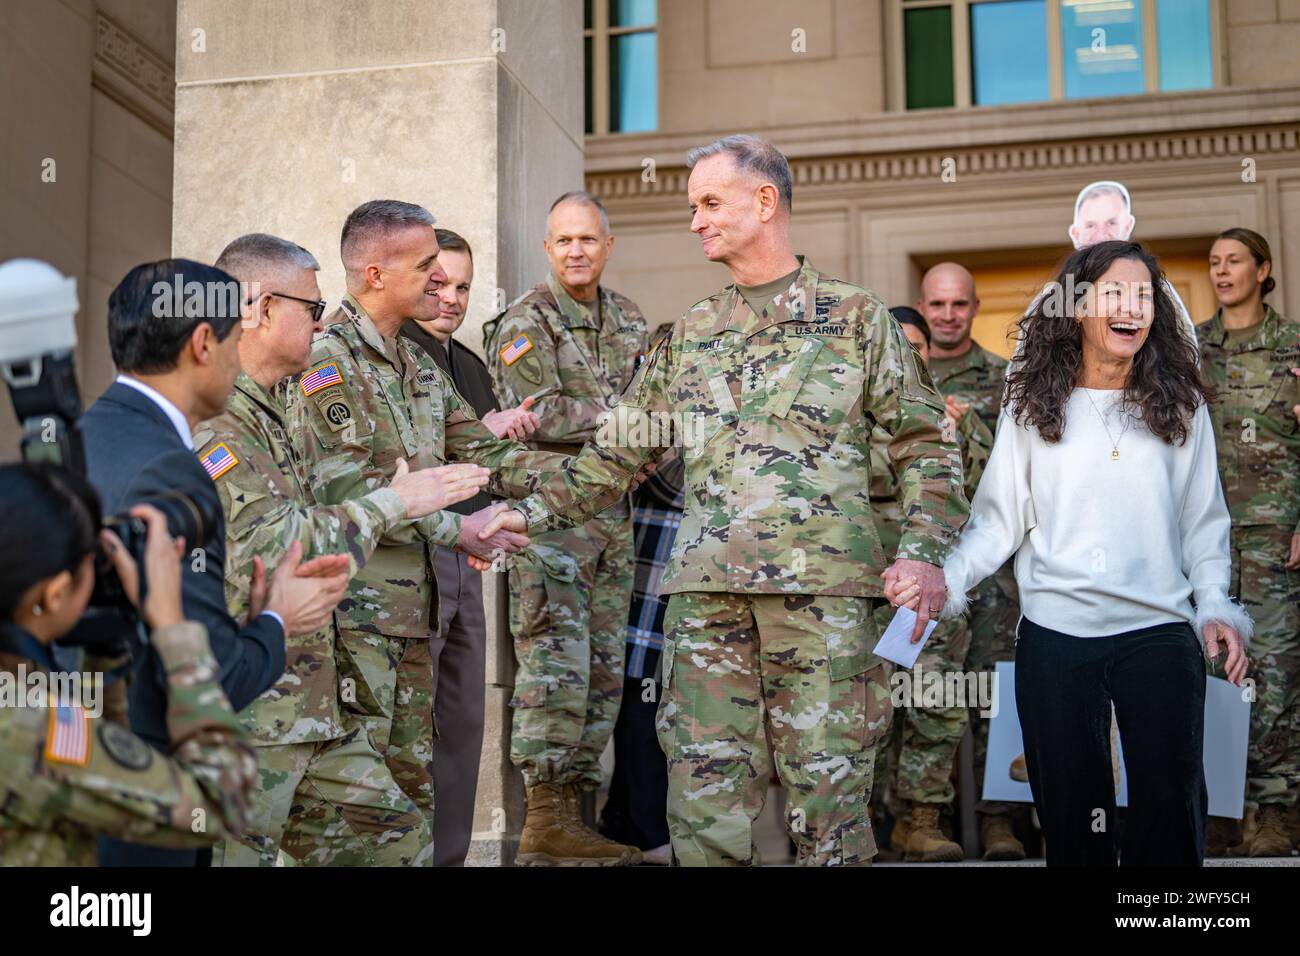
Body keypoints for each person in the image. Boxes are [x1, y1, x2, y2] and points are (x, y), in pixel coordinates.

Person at [482, 135, 968, 866]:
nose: (696, 221)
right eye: (692, 206)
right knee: (706, 815)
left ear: (765, 201)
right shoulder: (691, 333)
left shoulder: (858, 319)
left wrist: (925, 557)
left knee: (829, 811)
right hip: (706, 610)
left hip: (824, 606)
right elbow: (618, 452)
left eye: (711, 203)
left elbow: (926, 445)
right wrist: (529, 511)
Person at [892, 240, 1250, 866]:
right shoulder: (1032, 406)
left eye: (1143, 295)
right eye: (1114, 292)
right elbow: (996, 523)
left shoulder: (1184, 408)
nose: (1131, 308)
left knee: (1168, 817)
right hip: (1055, 640)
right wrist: (943, 581)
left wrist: (1215, 604)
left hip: (1160, 637)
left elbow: (1204, 525)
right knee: (1074, 819)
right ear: (1076, 305)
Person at [199, 233, 490, 866]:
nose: (324, 315)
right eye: (311, 303)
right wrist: (398, 502)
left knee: (399, 841)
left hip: (314, 709)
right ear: (256, 307)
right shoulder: (213, 421)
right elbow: (267, 544)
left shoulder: (274, 408)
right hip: (249, 717)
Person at [287, 200, 566, 827]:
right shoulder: (326, 362)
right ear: (377, 275)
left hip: (419, 616)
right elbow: (351, 493)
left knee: (411, 792)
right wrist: (458, 528)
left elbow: (486, 453)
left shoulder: (417, 365)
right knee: (357, 808)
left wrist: (594, 475)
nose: (439, 281)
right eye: (426, 268)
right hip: (358, 620)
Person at [80, 259, 352, 867]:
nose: (238, 357)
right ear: (203, 343)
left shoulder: (79, 438)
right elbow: (215, 674)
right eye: (233, 336)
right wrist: (276, 619)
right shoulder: (172, 472)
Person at [481, 191, 648, 867]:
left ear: (608, 246)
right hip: (552, 521)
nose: (577, 251)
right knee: (554, 663)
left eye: (588, 240)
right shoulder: (525, 320)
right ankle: (544, 820)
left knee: (603, 671)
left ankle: (575, 818)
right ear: (548, 250)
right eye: (564, 241)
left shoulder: (631, 318)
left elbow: (658, 412)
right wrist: (626, 427)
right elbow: (541, 410)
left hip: (613, 519)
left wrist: (639, 440)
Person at [0, 463, 257, 865]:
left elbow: (100, 756)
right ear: (55, 594)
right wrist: (173, 627)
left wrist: (106, 646)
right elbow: (217, 807)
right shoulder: (29, 731)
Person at [399, 227, 539, 865]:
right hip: (402, 568)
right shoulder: (385, 355)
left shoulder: (472, 366)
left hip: (465, 558)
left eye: (462, 287)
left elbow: (487, 463)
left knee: (460, 726)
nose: (451, 298)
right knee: (401, 735)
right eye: (438, 283)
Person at [870, 306, 992, 862]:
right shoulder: (853, 408)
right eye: (902, 345)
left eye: (920, 346)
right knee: (866, 704)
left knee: (935, 696)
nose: (912, 355)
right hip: (866, 581)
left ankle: (922, 818)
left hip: (935, 581)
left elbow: (991, 491)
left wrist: (955, 428)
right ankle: (866, 819)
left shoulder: (952, 414)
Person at [1196, 227, 1300, 857]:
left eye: (1235, 261)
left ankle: (1275, 809)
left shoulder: (1293, 345)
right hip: (1203, 540)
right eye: (1214, 263)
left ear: (1263, 270)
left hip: (1272, 537)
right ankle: (1218, 812)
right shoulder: (1189, 349)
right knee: (1207, 672)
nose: (1222, 271)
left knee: (1275, 676)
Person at [915, 265, 1025, 859]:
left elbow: (1019, 470)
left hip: (994, 567)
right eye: (938, 304)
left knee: (996, 687)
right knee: (924, 689)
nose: (948, 315)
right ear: (922, 306)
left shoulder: (1005, 380)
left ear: (976, 306)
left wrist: (969, 426)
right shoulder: (899, 374)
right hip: (921, 560)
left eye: (959, 304)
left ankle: (1001, 820)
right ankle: (919, 819)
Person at [596, 323, 682, 867]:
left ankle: (628, 819)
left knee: (664, 715)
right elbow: (668, 480)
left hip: (677, 590)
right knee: (640, 710)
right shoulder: (643, 414)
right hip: (643, 590)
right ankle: (647, 832)